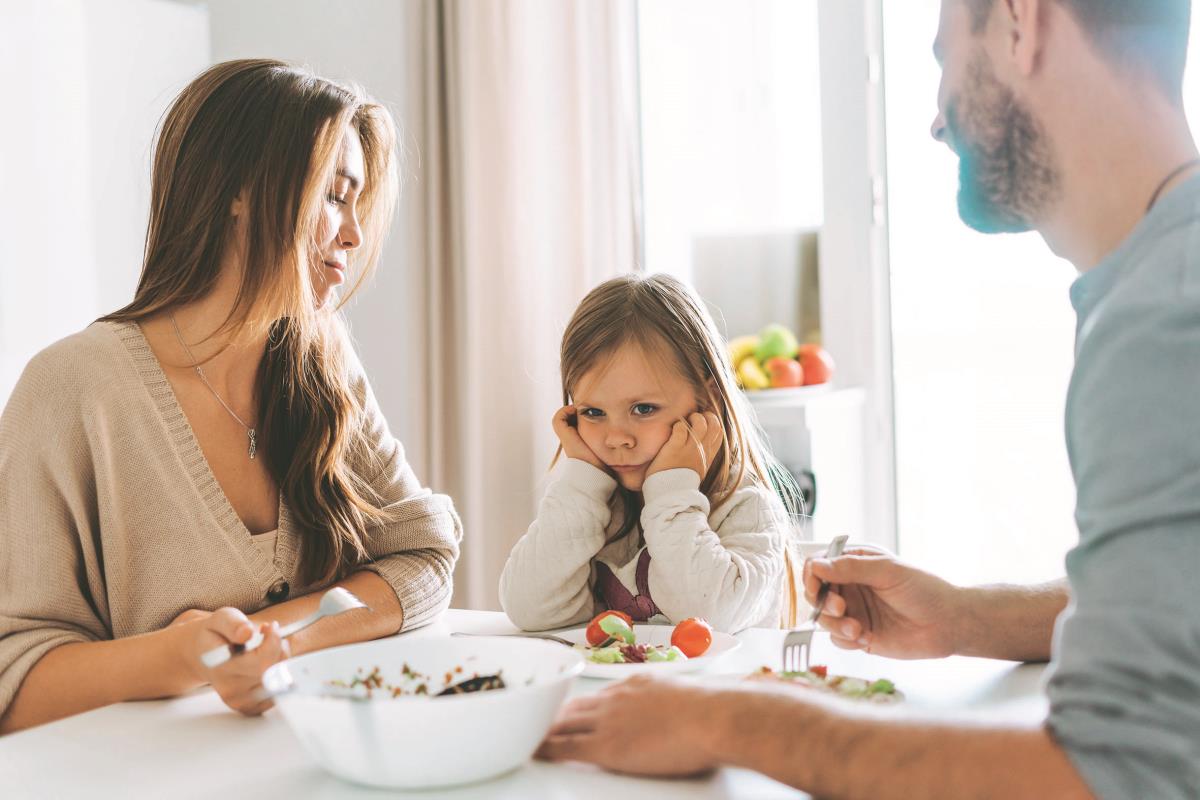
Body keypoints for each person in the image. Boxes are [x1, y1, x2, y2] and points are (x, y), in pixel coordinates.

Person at [535, 0, 1200, 796]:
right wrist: (965, 618)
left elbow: (1126, 776)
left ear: (1022, 23)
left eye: (944, 60)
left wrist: (731, 720)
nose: (937, 121)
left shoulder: (1165, 321)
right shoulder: (1162, 288)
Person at [0, 59, 462, 734]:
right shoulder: (72, 390)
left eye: (357, 204)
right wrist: (181, 658)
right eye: (335, 196)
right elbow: (13, 682)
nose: (355, 236)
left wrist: (276, 640)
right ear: (239, 191)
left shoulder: (323, 362)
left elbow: (424, 557)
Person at [499, 274, 807, 634]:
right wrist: (581, 483)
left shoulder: (746, 508)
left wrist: (672, 491)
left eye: (643, 409)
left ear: (707, 401)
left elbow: (708, 616)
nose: (616, 439)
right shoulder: (594, 504)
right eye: (593, 413)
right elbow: (529, 609)